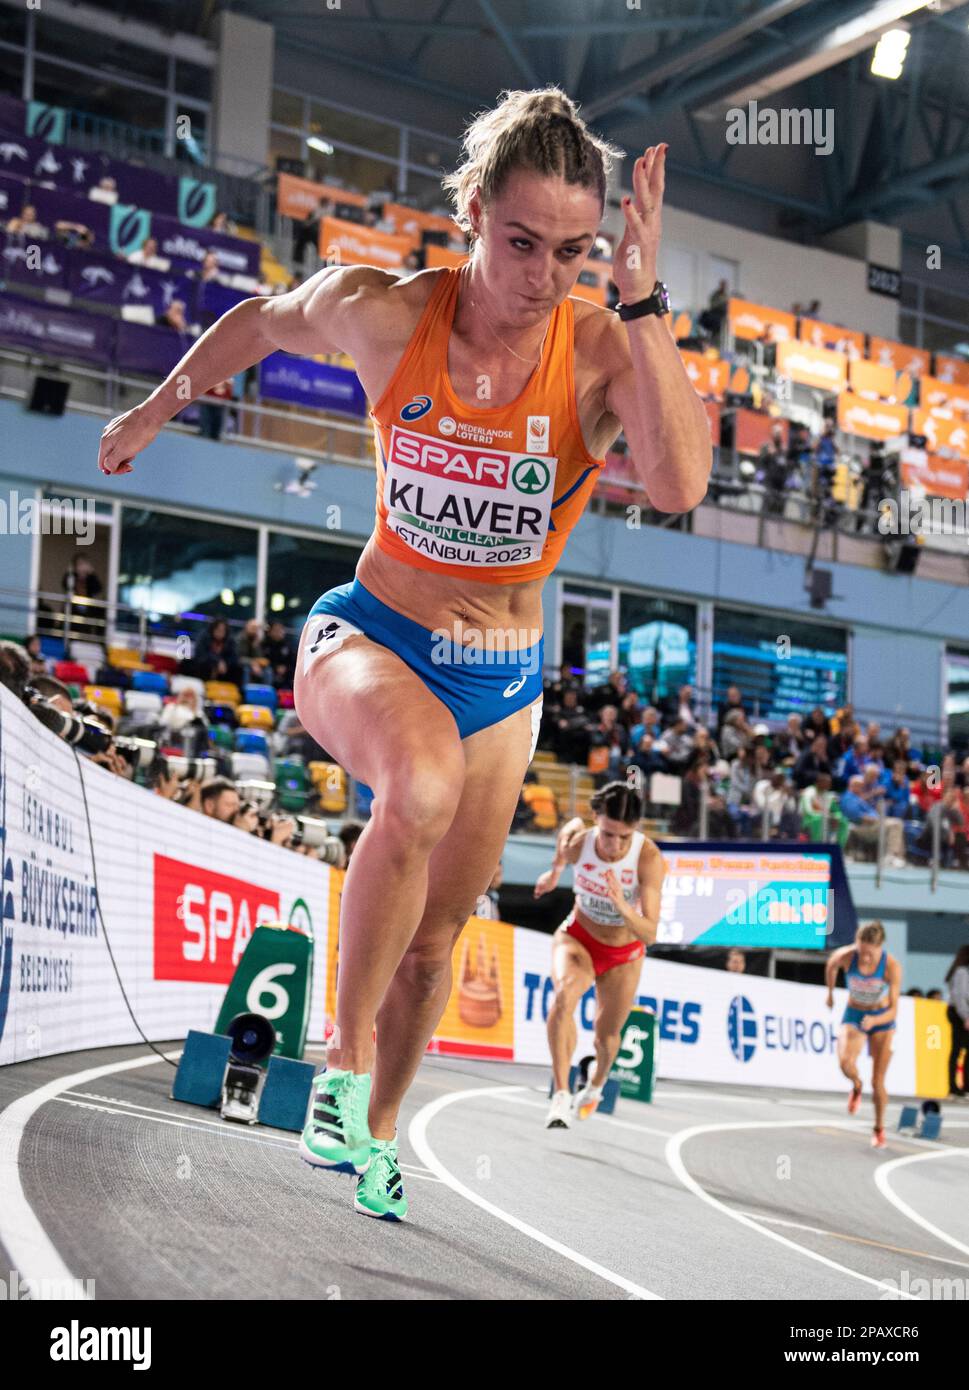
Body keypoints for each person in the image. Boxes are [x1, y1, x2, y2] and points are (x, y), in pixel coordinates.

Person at [97, 87, 710, 1222]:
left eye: (575, 251)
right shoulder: (386, 314)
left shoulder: (602, 348)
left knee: (436, 949)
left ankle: (374, 1135)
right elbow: (260, 317)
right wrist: (158, 405)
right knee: (416, 783)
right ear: (474, 212)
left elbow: (677, 483)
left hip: (506, 682)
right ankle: (334, 1070)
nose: (546, 275)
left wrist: (647, 301)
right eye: (523, 243)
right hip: (368, 634)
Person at [534, 781, 665, 1126]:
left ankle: (594, 1086)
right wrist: (555, 871)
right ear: (596, 820)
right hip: (579, 937)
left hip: (625, 952)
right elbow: (568, 833)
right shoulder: (582, 843)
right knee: (564, 997)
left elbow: (650, 932)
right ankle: (561, 1096)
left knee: (605, 1037)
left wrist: (621, 903)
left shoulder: (647, 857)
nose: (614, 846)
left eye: (624, 837)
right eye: (608, 834)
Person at [825, 921, 902, 1148]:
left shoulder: (891, 966)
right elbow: (830, 966)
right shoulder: (847, 956)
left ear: (880, 948)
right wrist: (830, 993)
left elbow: (894, 1010)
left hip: (882, 1019)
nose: (865, 958)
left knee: (878, 1081)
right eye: (862, 952)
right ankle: (856, 1085)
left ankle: (878, 1129)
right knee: (844, 1063)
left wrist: (876, 1020)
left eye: (870, 954)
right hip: (855, 1014)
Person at [944, 945, 969, 1099]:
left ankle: (964, 1086)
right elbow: (960, 996)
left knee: (960, 1051)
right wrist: (966, 1016)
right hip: (959, 1013)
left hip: (962, 1012)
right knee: (957, 1050)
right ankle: (954, 1087)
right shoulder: (961, 972)